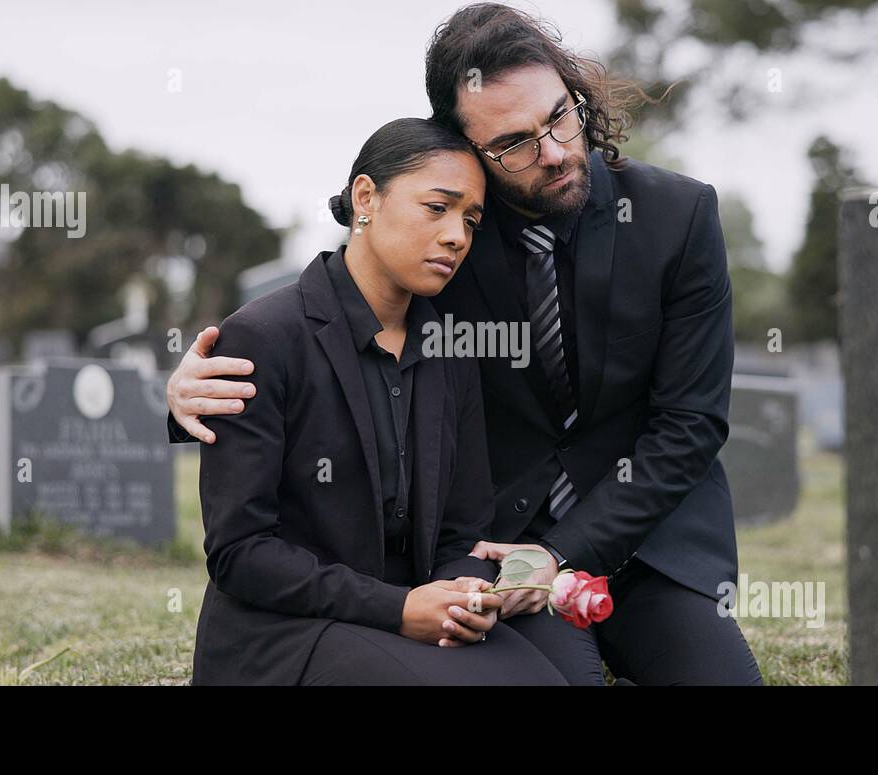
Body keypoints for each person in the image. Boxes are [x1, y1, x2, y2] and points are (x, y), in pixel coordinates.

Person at [177, 3, 764, 686]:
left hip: (652, 542)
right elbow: (342, 297)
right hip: (504, 547)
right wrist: (188, 386)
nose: (551, 152)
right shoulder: (453, 230)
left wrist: (564, 554)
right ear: (466, 145)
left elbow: (690, 426)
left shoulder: (678, 217)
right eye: (512, 143)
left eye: (559, 116)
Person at [191, 116, 568, 685]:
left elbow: (462, 531)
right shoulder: (265, 336)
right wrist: (398, 609)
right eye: (436, 208)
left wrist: (462, 589)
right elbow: (240, 552)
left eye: (470, 219)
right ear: (366, 197)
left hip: (410, 618)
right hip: (282, 632)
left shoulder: (451, 349)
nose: (456, 236)